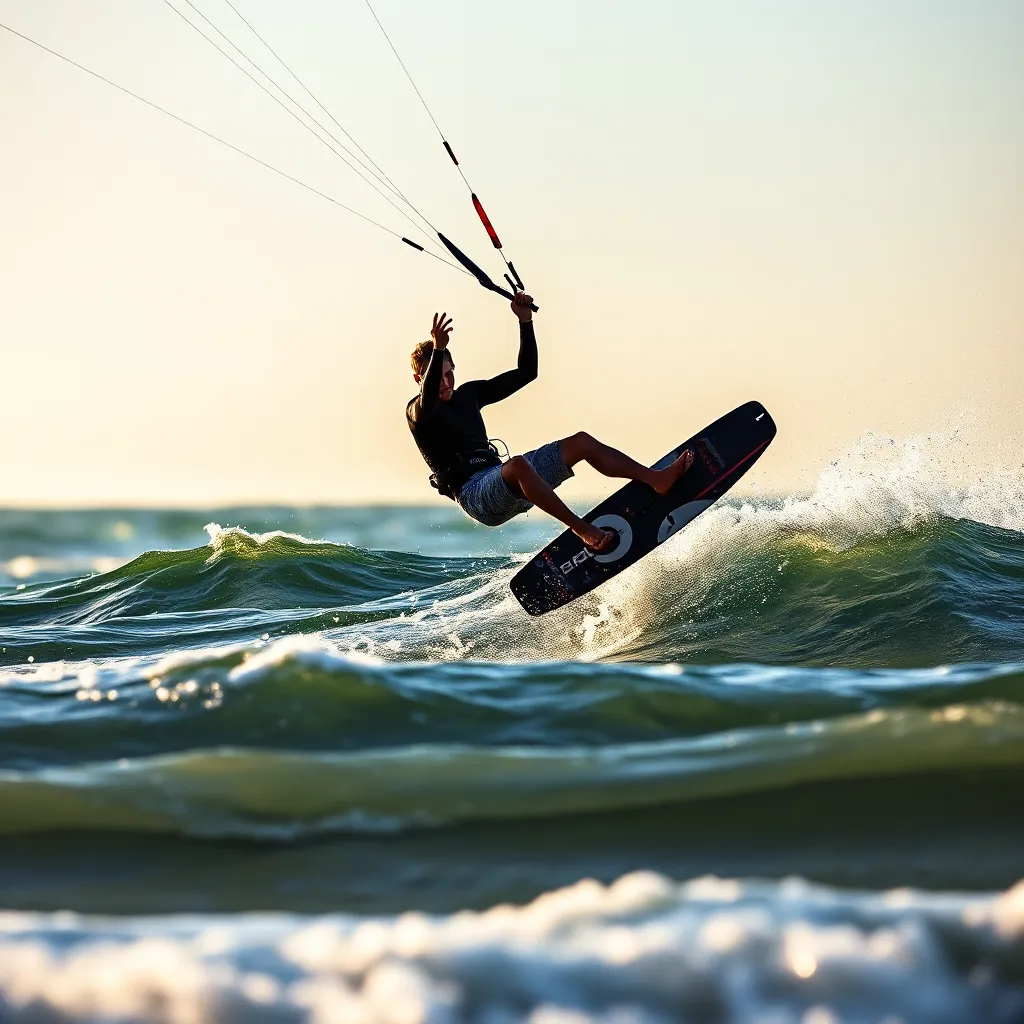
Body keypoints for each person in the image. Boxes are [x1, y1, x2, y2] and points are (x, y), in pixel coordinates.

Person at [406, 291, 693, 552]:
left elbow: (527, 372)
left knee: (580, 443)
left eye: (449, 373)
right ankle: (584, 532)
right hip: (478, 497)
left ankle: (657, 479)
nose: (446, 382)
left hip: (511, 480)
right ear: (420, 379)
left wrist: (525, 321)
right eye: (438, 375)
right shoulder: (418, 412)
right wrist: (439, 350)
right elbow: (429, 398)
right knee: (518, 464)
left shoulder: (468, 394)